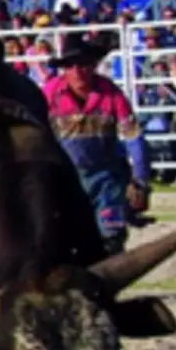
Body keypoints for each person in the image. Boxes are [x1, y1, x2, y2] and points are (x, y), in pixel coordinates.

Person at [43, 34, 152, 255]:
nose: (77, 71)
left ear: (93, 65)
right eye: (70, 65)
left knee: (111, 240)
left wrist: (140, 180)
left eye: (83, 64)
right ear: (64, 69)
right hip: (63, 178)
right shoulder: (50, 94)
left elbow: (133, 137)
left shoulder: (112, 95)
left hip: (105, 177)